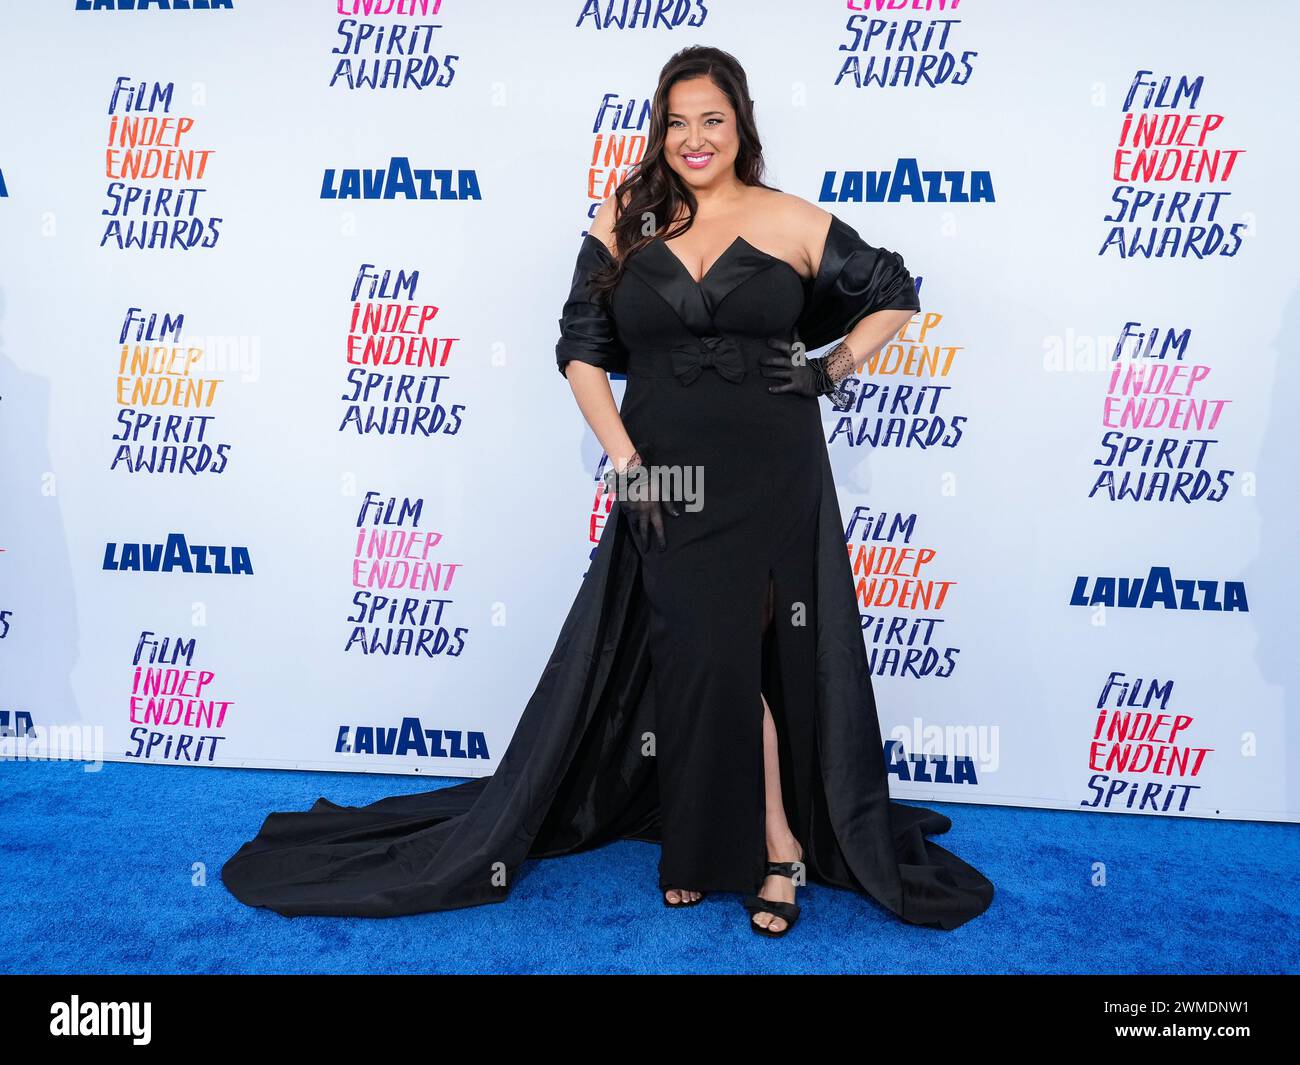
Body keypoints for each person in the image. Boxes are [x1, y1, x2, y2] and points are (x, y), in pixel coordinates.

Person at [221, 46, 994, 939]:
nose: (694, 138)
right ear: (657, 130)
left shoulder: (791, 218)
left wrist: (833, 369)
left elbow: (894, 291)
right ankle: (730, 837)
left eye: (712, 119)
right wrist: (628, 463)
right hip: (661, 462)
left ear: (741, 124)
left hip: (774, 466)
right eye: (676, 121)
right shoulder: (628, 218)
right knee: (700, 653)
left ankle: (777, 846)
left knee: (758, 661)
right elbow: (581, 349)